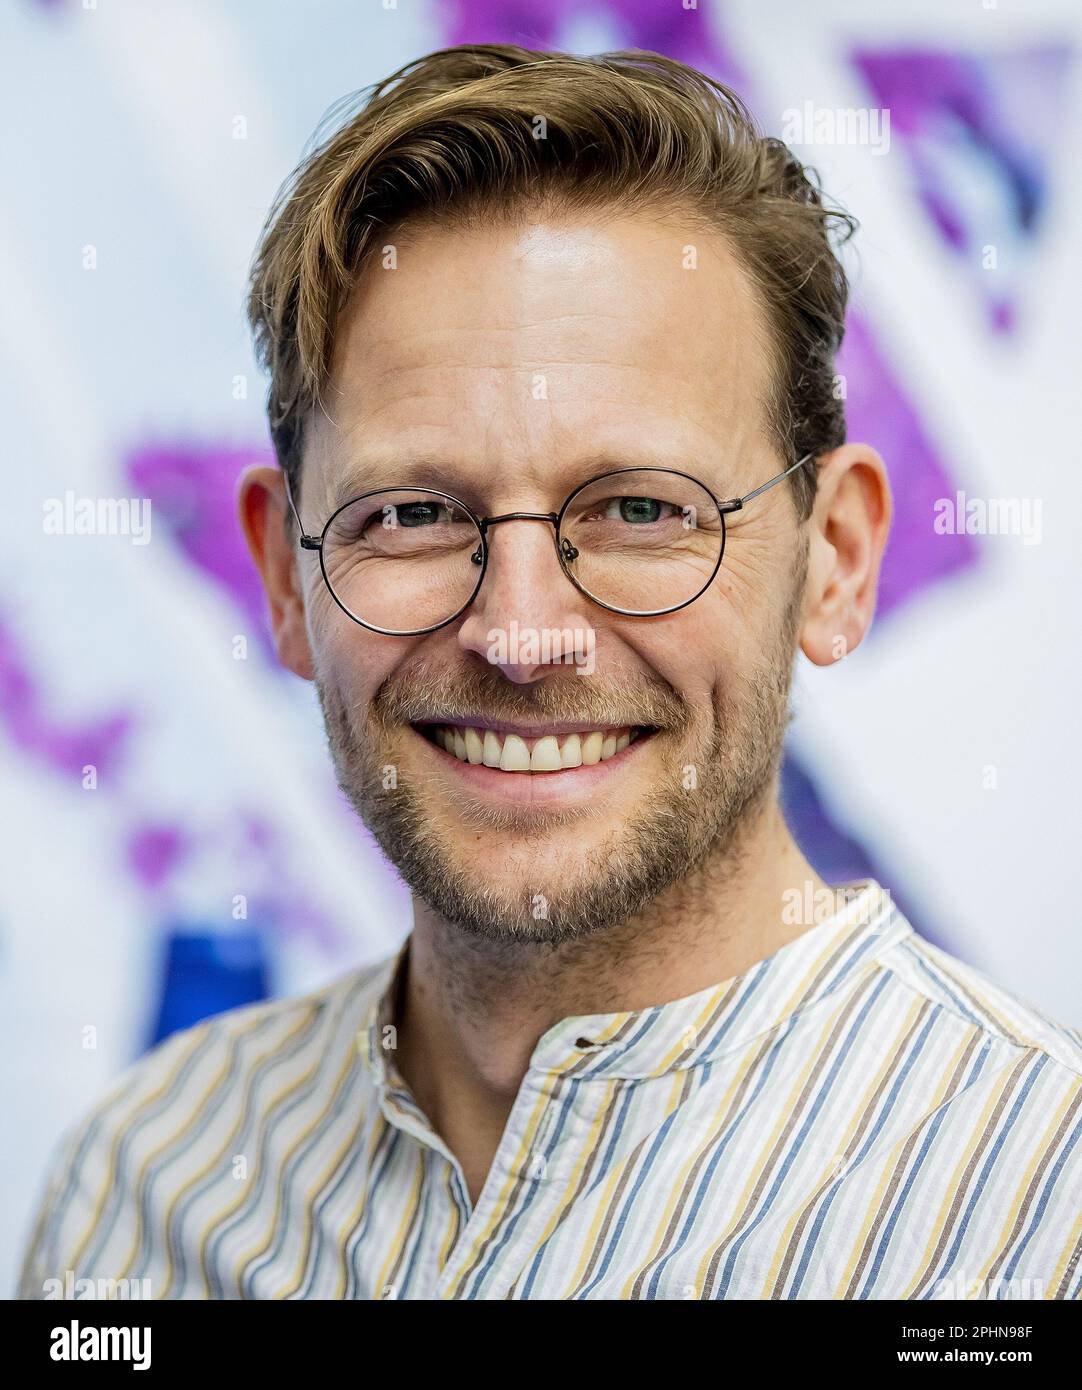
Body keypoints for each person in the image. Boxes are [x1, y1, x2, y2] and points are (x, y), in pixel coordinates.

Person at [20, 44, 1081, 1301]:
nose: (521, 636)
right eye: (410, 516)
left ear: (835, 560)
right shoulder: (138, 1190)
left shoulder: (1038, 1224)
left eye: (640, 508)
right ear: (283, 580)